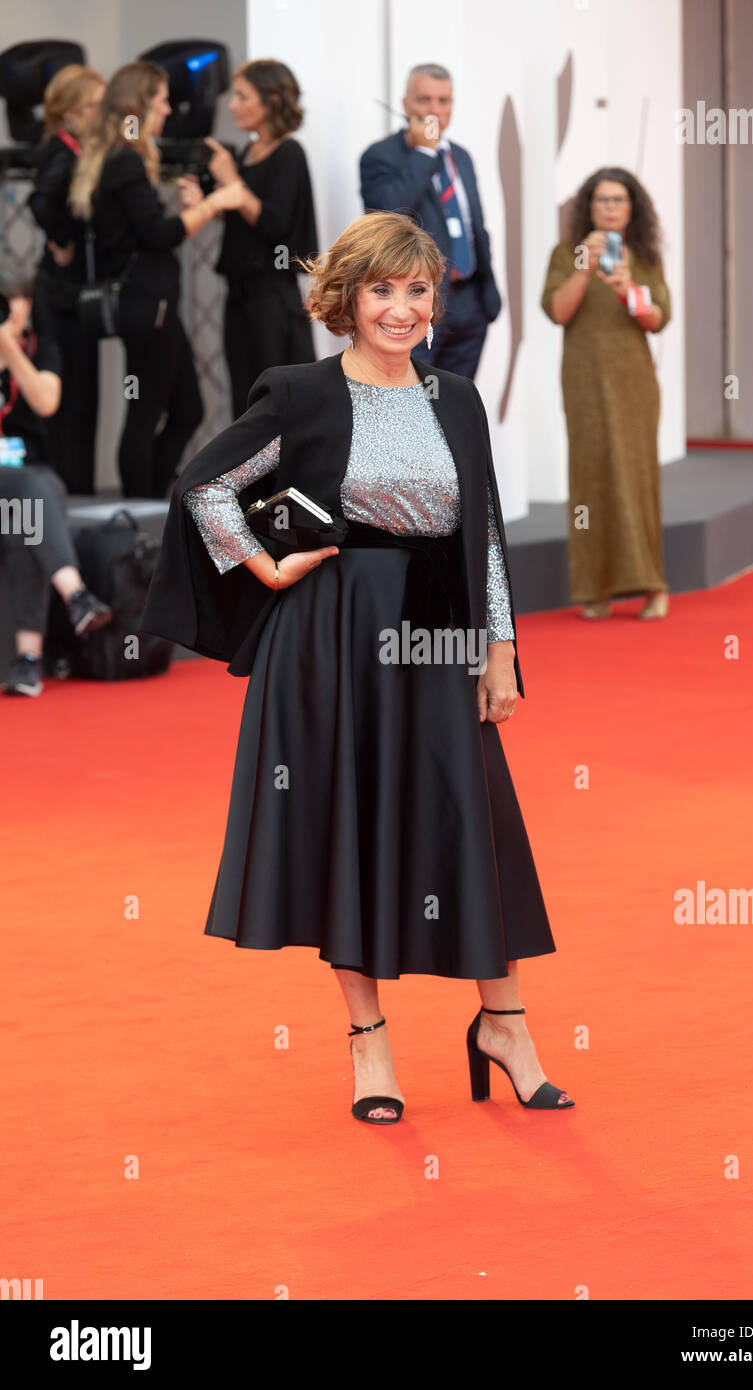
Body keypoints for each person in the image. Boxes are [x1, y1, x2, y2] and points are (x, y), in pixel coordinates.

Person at [139, 212, 574, 1125]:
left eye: (418, 291)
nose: (402, 309)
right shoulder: (302, 393)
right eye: (382, 290)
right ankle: (369, 1046)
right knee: (348, 824)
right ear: (347, 297)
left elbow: (481, 530)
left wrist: (501, 652)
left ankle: (506, 1025)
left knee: (473, 817)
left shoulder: (454, 396)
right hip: (333, 636)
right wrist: (267, 562)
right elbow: (204, 488)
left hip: (438, 627)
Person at [68, 61, 246, 499]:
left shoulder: (117, 159)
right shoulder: (125, 161)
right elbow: (160, 234)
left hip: (151, 304)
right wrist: (212, 204)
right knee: (146, 411)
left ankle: (152, 501)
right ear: (139, 105)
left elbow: (147, 230)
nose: (168, 109)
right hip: (148, 307)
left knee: (187, 409)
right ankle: (141, 511)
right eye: (162, 100)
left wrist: (194, 207)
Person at [541, 166, 672, 619]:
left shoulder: (645, 256)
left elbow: (656, 318)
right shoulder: (567, 253)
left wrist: (628, 290)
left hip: (633, 380)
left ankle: (653, 586)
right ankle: (593, 589)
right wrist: (585, 267)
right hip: (583, 381)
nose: (611, 208)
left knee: (637, 478)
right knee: (590, 476)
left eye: (619, 200)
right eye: (602, 200)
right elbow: (558, 312)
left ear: (632, 209)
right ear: (588, 208)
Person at [0, 270, 111, 697]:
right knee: (31, 490)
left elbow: (46, 401)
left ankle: (27, 661)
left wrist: (9, 346)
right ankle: (76, 595)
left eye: (19, 300)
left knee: (26, 517)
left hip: (24, 487)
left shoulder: (40, 350)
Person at [194, 59, 319, 419]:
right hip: (239, 294)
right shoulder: (247, 153)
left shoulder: (289, 154)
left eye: (241, 96)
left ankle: (288, 476)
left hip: (272, 297)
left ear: (271, 101)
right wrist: (210, 205)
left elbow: (274, 224)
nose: (232, 105)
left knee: (278, 401)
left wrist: (232, 183)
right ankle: (252, 476)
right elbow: (244, 217)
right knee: (245, 401)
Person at [360, 63, 501, 379]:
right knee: (412, 408)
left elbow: (474, 227)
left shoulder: (461, 157)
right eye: (424, 100)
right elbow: (387, 217)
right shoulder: (381, 156)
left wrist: (487, 298)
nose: (435, 110)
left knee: (456, 412)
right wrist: (424, 152)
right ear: (405, 104)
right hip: (414, 305)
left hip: (469, 303)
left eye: (444, 101)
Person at [27, 63, 105, 496]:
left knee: (82, 393)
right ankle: (66, 487)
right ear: (72, 110)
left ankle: (77, 485)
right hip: (61, 293)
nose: (99, 113)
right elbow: (42, 201)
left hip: (74, 291)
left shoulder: (76, 148)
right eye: (93, 106)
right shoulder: (60, 149)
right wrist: (61, 239)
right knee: (70, 393)